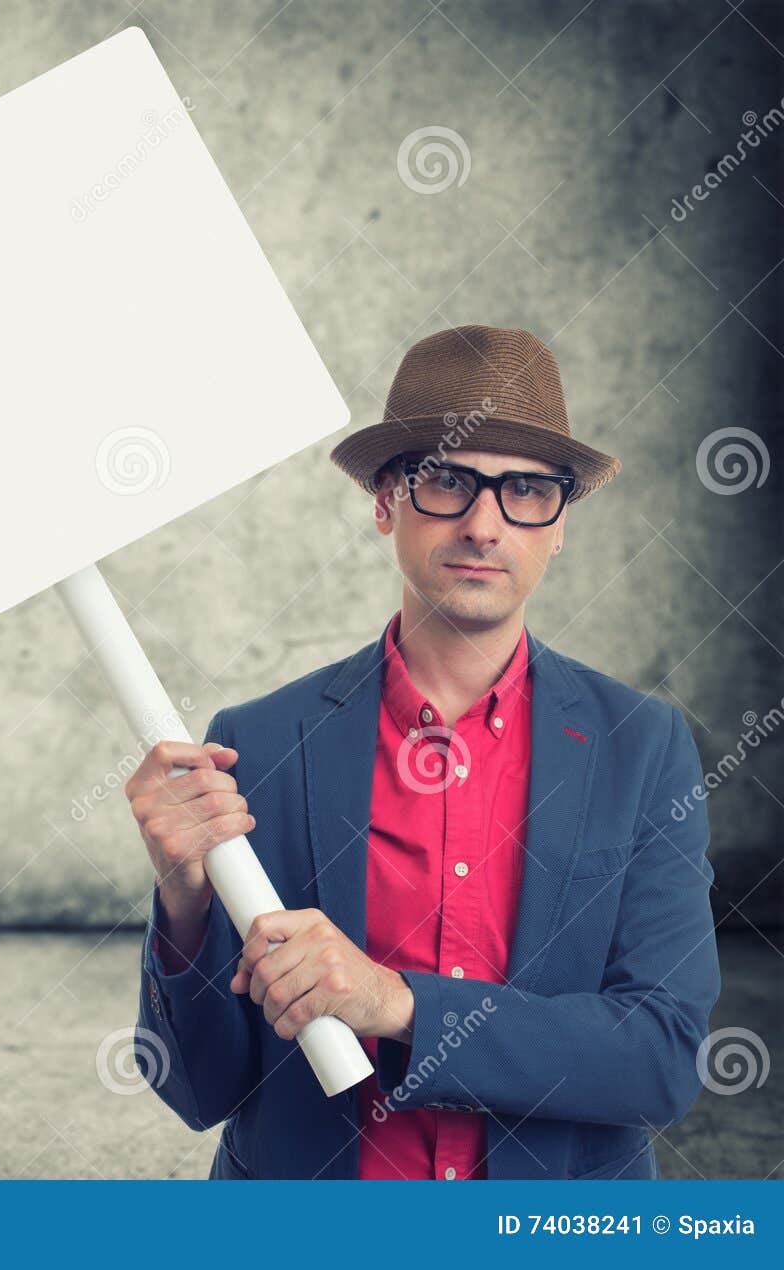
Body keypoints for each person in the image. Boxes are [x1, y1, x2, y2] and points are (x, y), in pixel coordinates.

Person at [126, 325, 719, 1180]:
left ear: (561, 526)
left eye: (525, 491)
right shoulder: (255, 745)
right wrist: (183, 902)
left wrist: (396, 1002)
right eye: (446, 480)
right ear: (384, 501)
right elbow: (199, 1091)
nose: (485, 525)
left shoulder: (643, 747)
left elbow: (660, 1059)